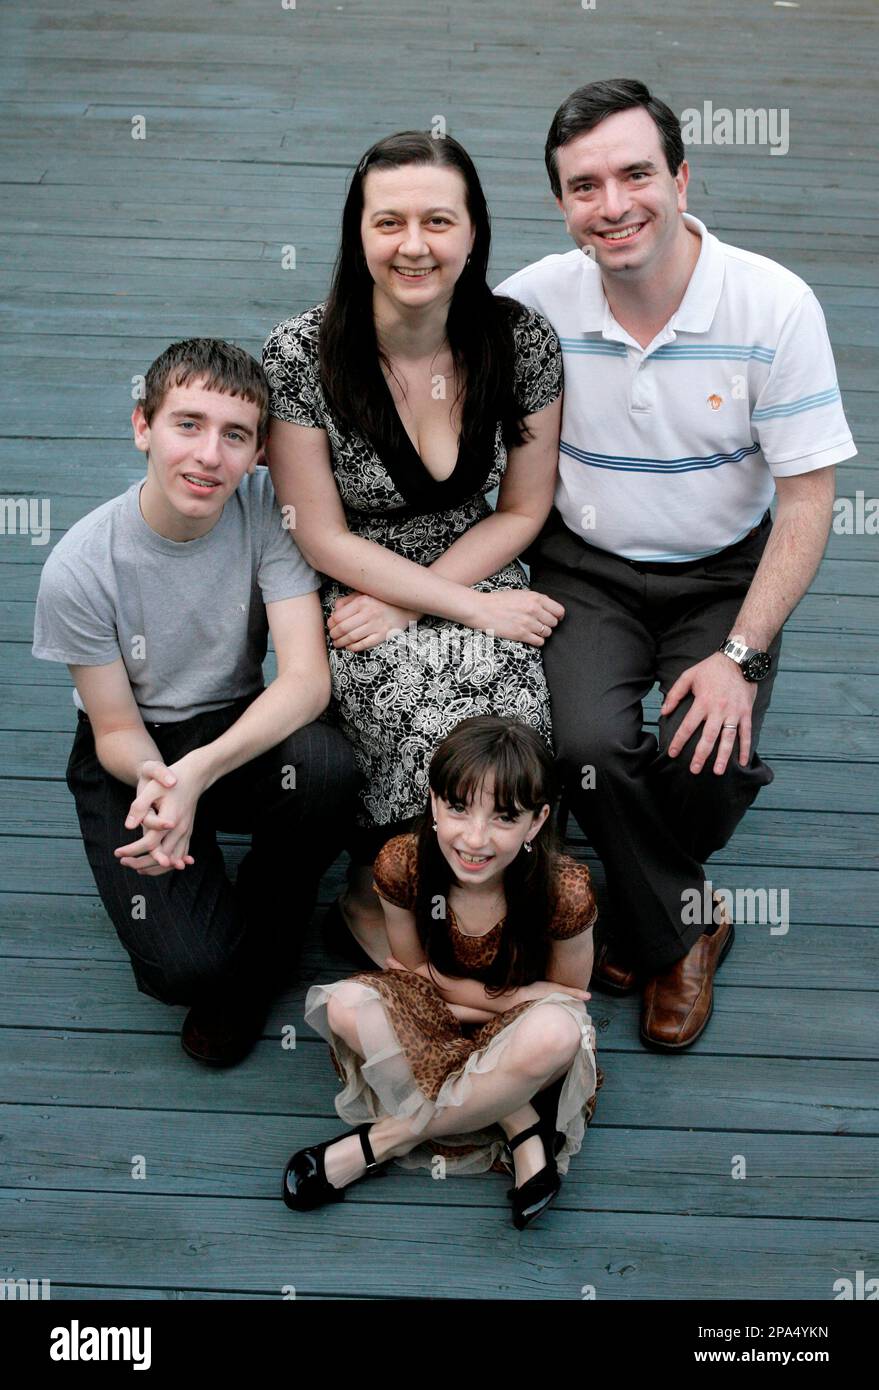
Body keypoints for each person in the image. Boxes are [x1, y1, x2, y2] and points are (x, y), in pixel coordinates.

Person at [495, 79, 857, 1051]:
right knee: (584, 748)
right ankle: (685, 925)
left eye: (635, 174)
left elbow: (809, 497)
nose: (612, 206)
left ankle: (647, 904)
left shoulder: (773, 304)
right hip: (587, 562)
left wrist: (739, 653)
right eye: (584, 186)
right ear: (561, 202)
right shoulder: (531, 303)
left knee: (712, 745)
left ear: (682, 176)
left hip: (722, 567)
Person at [261, 130, 565, 971]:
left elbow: (523, 506)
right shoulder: (301, 353)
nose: (414, 245)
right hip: (359, 585)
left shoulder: (521, 343)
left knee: (510, 726)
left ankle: (498, 911)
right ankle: (380, 891)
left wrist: (432, 596)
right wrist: (440, 606)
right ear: (357, 234)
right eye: (387, 221)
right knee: (424, 719)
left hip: (477, 558)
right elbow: (315, 532)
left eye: (438, 220)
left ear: (473, 233)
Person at [32, 339, 358, 1066]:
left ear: (259, 453)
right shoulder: (80, 569)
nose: (209, 455)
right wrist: (160, 785)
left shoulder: (269, 510)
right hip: (133, 750)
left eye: (235, 435)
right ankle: (236, 952)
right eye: (187, 424)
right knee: (187, 968)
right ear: (142, 426)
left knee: (325, 767)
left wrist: (200, 774)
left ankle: (267, 931)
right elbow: (113, 725)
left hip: (229, 729)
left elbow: (306, 680)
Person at [282, 716, 601, 1230]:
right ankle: (517, 1119)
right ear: (433, 802)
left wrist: (464, 995)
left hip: (520, 1036)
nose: (475, 839)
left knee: (557, 1032)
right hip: (434, 1013)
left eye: (503, 817)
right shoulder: (402, 864)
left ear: (537, 823)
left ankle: (379, 1142)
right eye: (457, 807)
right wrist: (490, 998)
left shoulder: (563, 891)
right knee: (342, 1006)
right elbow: (411, 974)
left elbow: (567, 997)